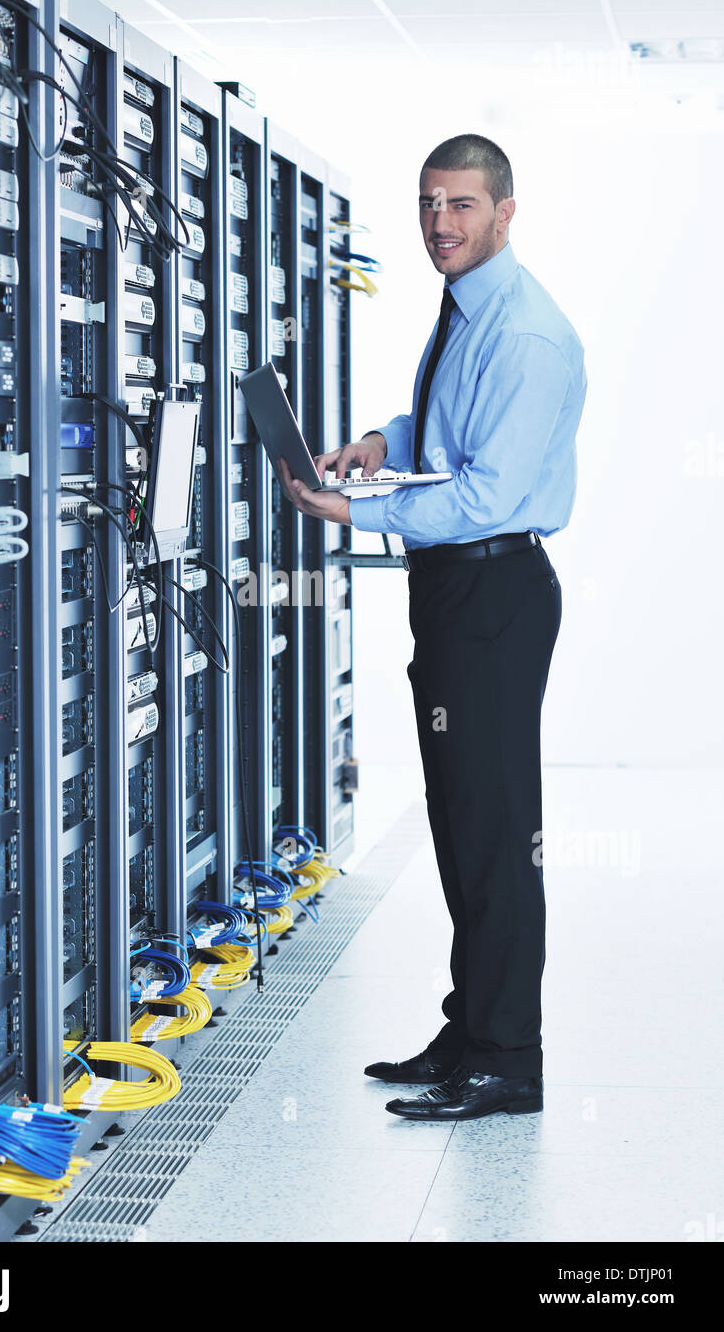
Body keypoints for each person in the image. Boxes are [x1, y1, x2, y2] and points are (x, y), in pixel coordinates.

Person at [277, 133, 587, 1121]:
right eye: (426, 204)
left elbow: (486, 493)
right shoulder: (465, 312)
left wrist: (350, 511)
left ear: (504, 210)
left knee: (494, 830)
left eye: (459, 204)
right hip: (456, 593)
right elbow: (447, 437)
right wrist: (378, 444)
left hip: (491, 593)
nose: (438, 223)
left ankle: (507, 1057)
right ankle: (471, 1029)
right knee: (461, 824)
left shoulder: (525, 334)